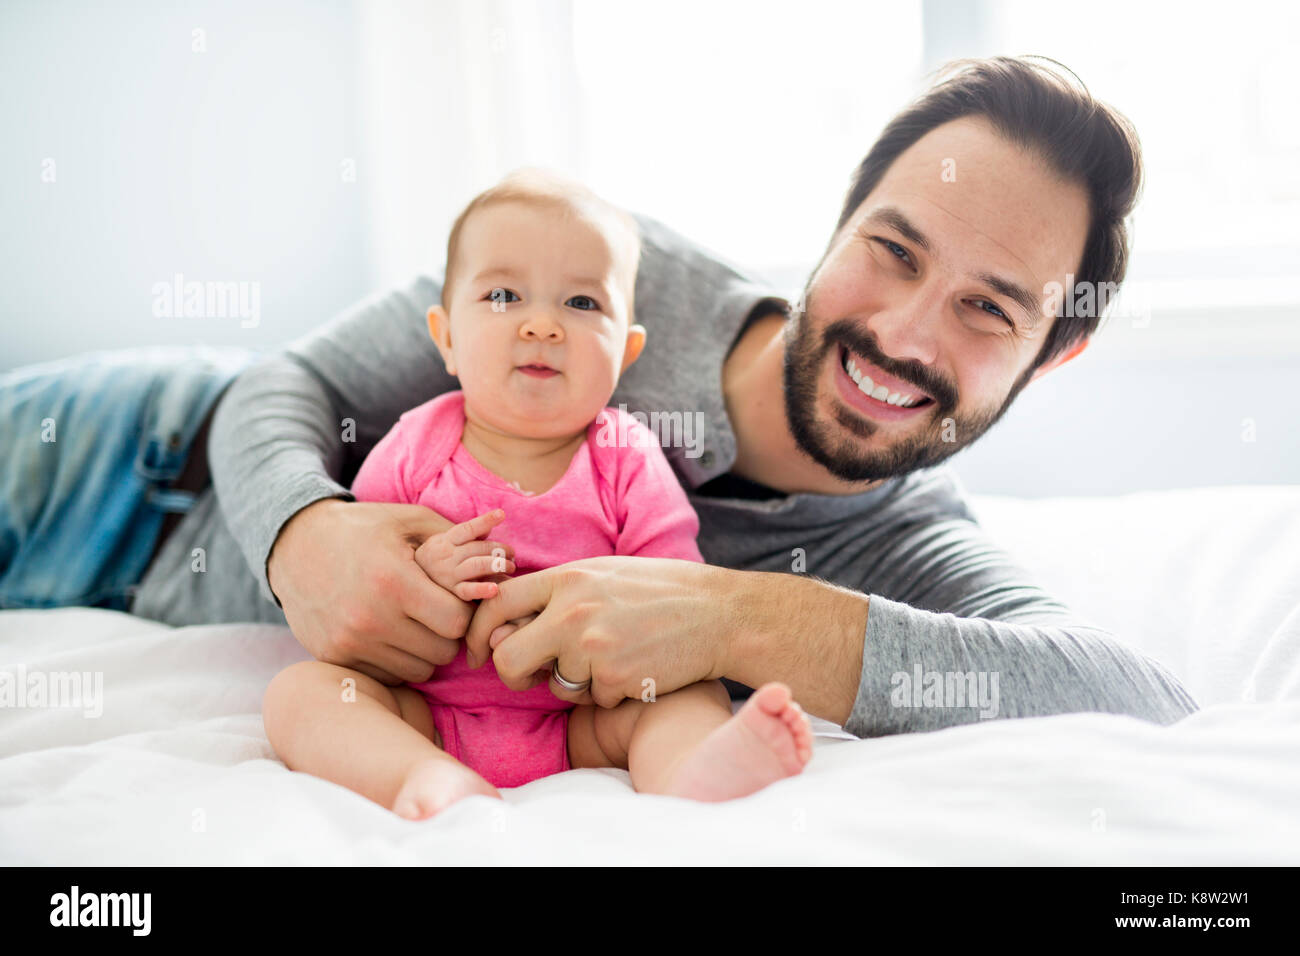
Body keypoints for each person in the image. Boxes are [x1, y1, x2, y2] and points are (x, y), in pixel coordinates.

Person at [0, 56, 1198, 740]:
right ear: (834, 232)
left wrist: (736, 617)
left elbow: (1133, 694)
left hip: (144, 610)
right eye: (891, 249)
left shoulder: (903, 552)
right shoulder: (616, 271)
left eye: (989, 309)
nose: (902, 328)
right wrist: (302, 536)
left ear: (1049, 357)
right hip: (124, 454)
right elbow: (289, 383)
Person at [262, 172, 813, 817]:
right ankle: (421, 777)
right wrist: (426, 572)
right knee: (300, 694)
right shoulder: (415, 444)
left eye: (582, 304)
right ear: (444, 337)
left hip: (586, 721)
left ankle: (692, 770)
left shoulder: (628, 458)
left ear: (626, 351)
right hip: (427, 711)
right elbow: (364, 573)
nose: (542, 325)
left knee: (688, 694)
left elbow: (675, 597)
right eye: (503, 295)